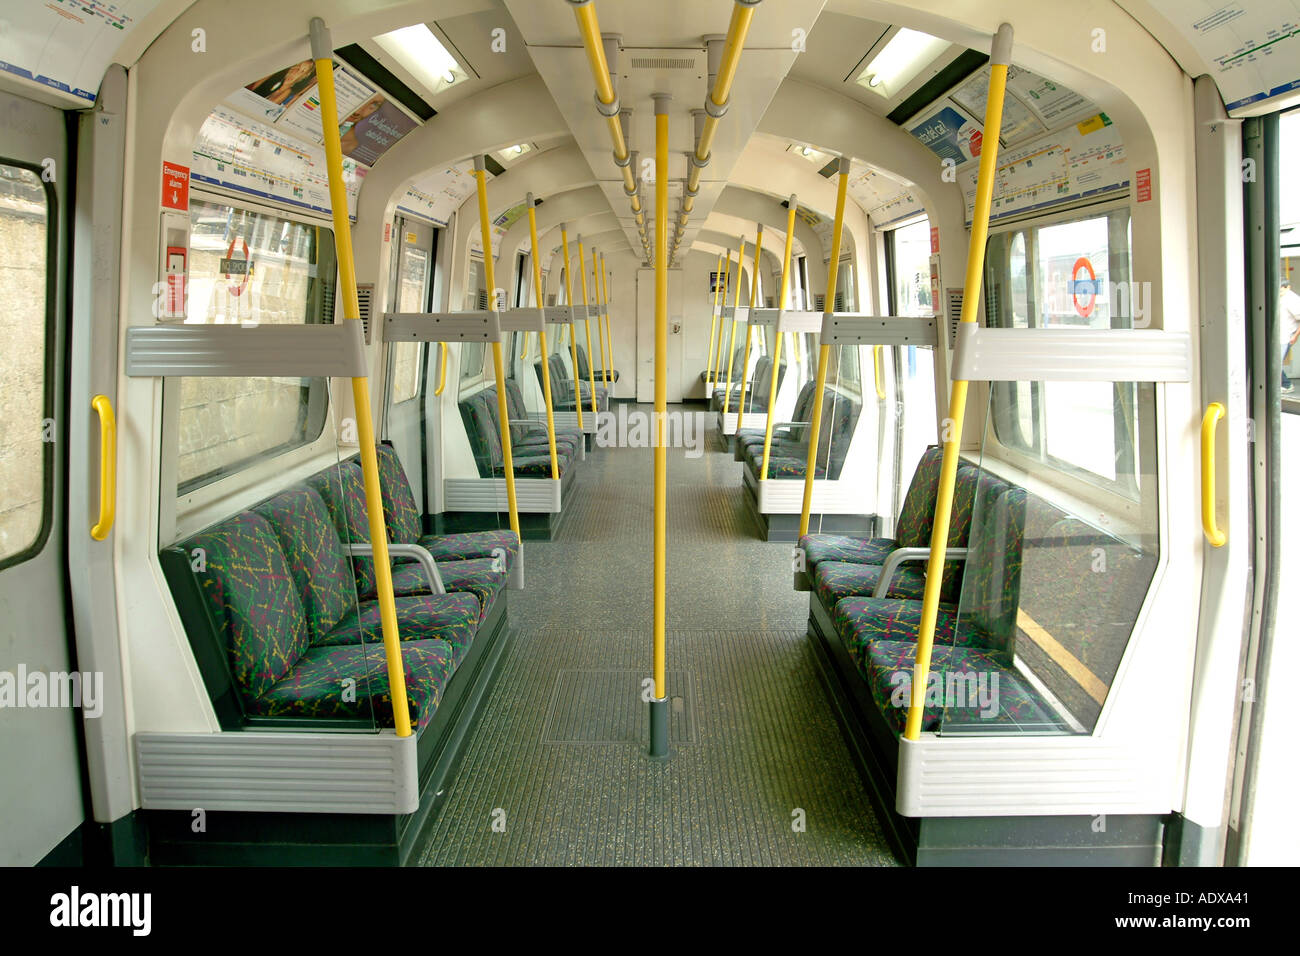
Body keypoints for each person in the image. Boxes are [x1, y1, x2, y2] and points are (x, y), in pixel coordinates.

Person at [1282, 278, 1300, 393]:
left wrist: (1295, 336)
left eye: (1281, 290)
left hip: (1286, 336)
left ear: (1287, 287)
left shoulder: (1292, 299)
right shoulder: (1280, 297)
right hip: (1280, 335)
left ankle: (1286, 384)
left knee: (1275, 363)